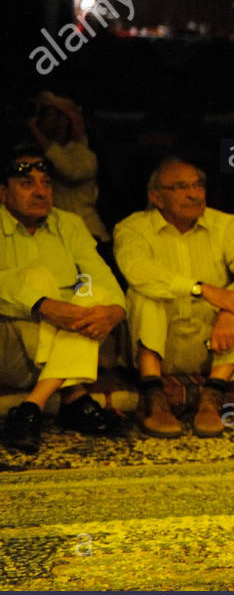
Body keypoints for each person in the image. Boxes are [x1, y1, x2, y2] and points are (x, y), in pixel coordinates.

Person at [113, 158, 234, 437]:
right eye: (181, 187)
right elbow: (137, 270)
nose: (194, 193)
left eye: (198, 184)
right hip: (157, 345)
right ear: (156, 197)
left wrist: (230, 310)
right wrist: (202, 289)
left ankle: (212, 397)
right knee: (145, 292)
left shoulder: (226, 224)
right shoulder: (132, 228)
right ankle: (154, 397)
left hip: (214, 344)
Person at [1, 151, 127, 453]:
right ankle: (74, 396)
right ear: (3, 193)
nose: (41, 191)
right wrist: (44, 305)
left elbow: (101, 274)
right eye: (27, 183)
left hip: (59, 348)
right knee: (36, 280)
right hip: (8, 347)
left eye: (46, 183)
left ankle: (33, 405)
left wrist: (113, 311)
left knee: (95, 296)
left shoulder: (69, 224)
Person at [25, 91, 109, 242]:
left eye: (51, 115)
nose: (49, 121)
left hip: (86, 232)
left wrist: (36, 131)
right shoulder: (28, 153)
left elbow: (69, 170)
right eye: (45, 115)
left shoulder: (83, 154)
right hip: (48, 232)